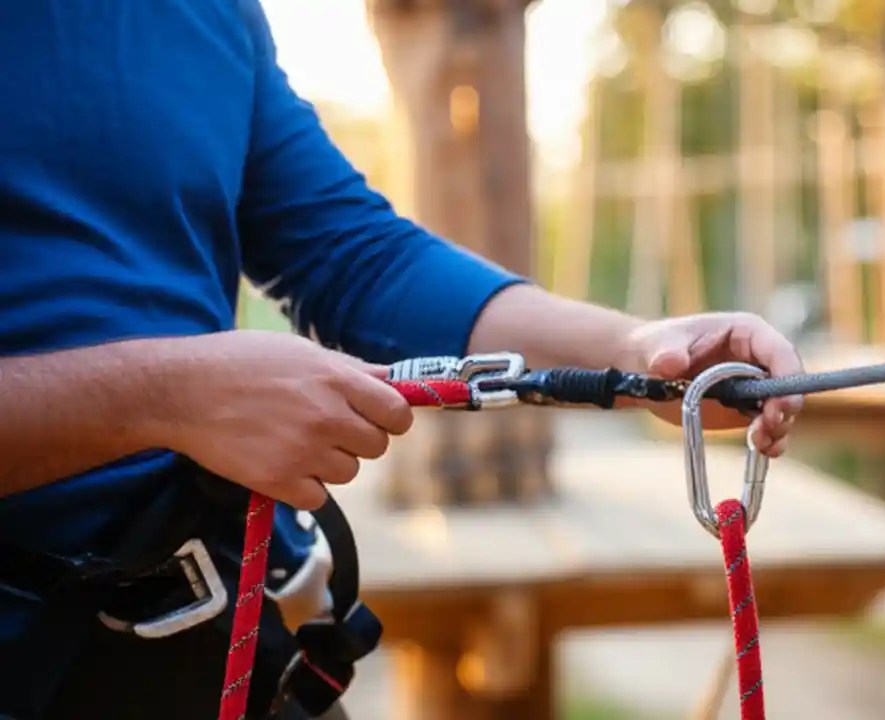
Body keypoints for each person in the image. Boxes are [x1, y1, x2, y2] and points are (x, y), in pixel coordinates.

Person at [0, 2, 803, 719]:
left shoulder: (209, 14)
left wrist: (637, 352)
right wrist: (162, 397)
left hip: (224, 638)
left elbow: (352, 255)